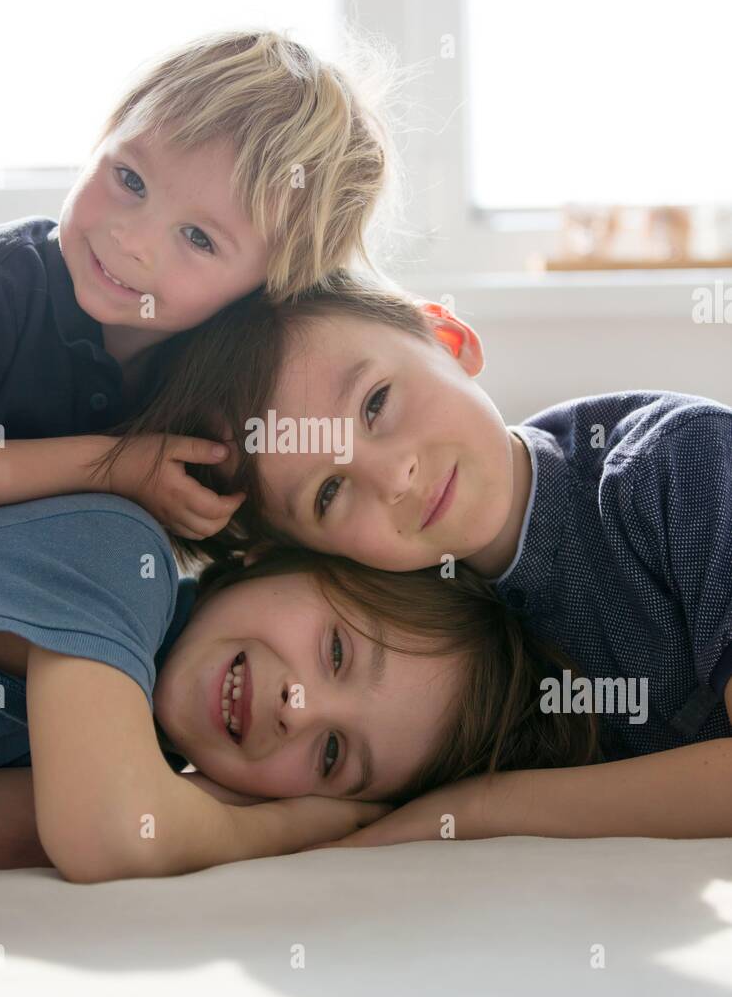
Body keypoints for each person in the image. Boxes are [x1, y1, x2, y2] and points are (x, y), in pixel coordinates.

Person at [90, 272, 732, 845]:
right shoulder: (387, 659)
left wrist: (486, 808)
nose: (395, 476)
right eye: (330, 492)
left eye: (376, 403)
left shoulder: (675, 464)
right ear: (307, 556)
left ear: (446, 335)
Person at [0, 28, 398, 571]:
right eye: (130, 179)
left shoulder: (202, 377)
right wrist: (115, 467)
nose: (132, 241)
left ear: (261, 292)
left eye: (198, 239)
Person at [0, 489, 587, 876]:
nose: (298, 711)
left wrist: (214, 799)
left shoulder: (133, 741)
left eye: (332, 755)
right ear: (269, 556)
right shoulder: (122, 558)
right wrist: (288, 824)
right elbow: (111, 838)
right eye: (336, 651)